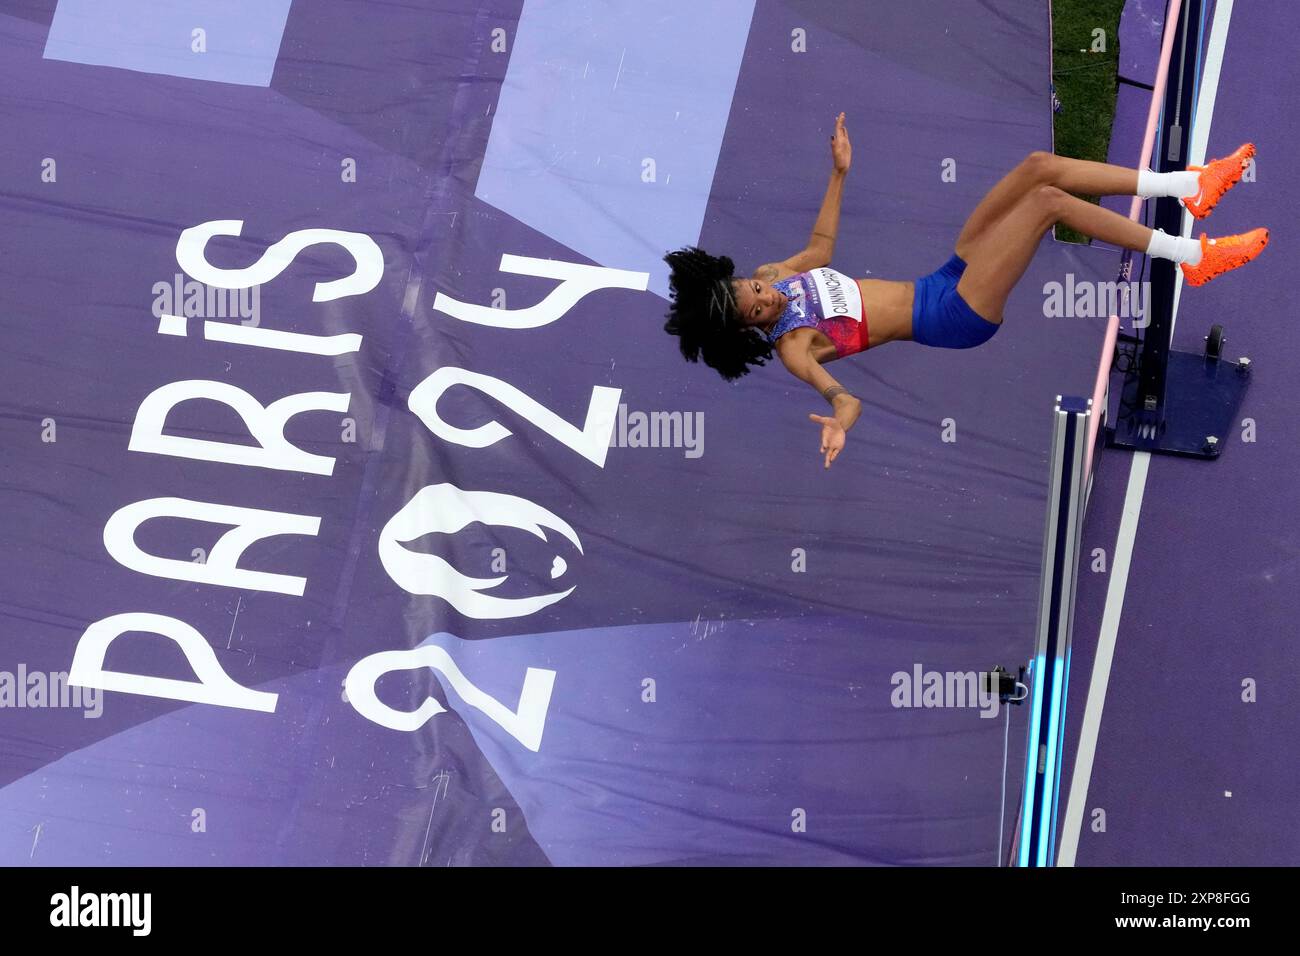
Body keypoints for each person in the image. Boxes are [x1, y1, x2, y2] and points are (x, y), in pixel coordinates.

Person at [662, 112, 1267, 468]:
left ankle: (1188, 185)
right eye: (757, 310)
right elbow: (845, 398)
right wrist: (839, 421)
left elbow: (820, 250)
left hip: (942, 279)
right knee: (1047, 205)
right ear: (748, 327)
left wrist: (840, 171)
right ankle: (1191, 256)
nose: (765, 298)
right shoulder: (794, 346)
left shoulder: (775, 274)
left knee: (1037, 167)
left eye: (752, 289)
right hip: (954, 316)